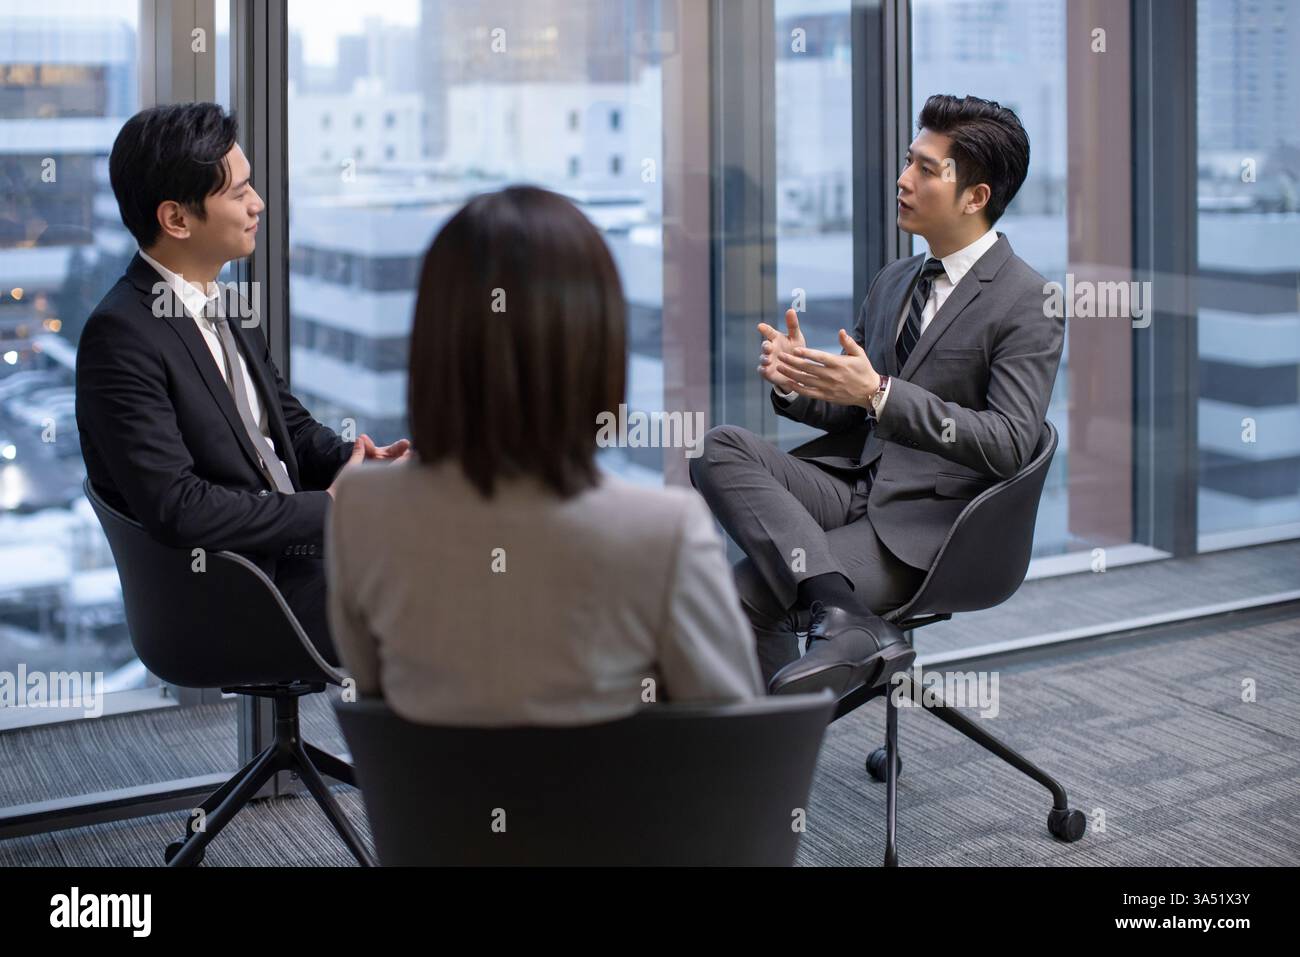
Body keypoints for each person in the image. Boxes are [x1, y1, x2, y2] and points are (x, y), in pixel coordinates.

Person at [326, 185, 764, 725]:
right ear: (598, 344)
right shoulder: (665, 531)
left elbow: (373, 703)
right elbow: (735, 744)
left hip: (428, 811)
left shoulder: (361, 510)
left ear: (431, 342)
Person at [690, 94, 1065, 697]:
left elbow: (1010, 443)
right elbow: (852, 403)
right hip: (853, 483)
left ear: (976, 197)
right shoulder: (896, 279)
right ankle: (844, 615)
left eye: (924, 168)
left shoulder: (1028, 301)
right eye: (907, 161)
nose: (902, 179)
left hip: (931, 523)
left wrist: (883, 394)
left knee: (747, 591)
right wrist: (801, 382)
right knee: (717, 448)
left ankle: (773, 753)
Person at [76, 102, 408, 665]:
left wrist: (354, 461)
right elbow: (179, 508)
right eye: (239, 192)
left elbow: (287, 428)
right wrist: (328, 507)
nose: (258, 205)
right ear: (177, 219)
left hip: (294, 556)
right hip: (237, 590)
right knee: (443, 594)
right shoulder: (121, 336)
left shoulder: (225, 303)